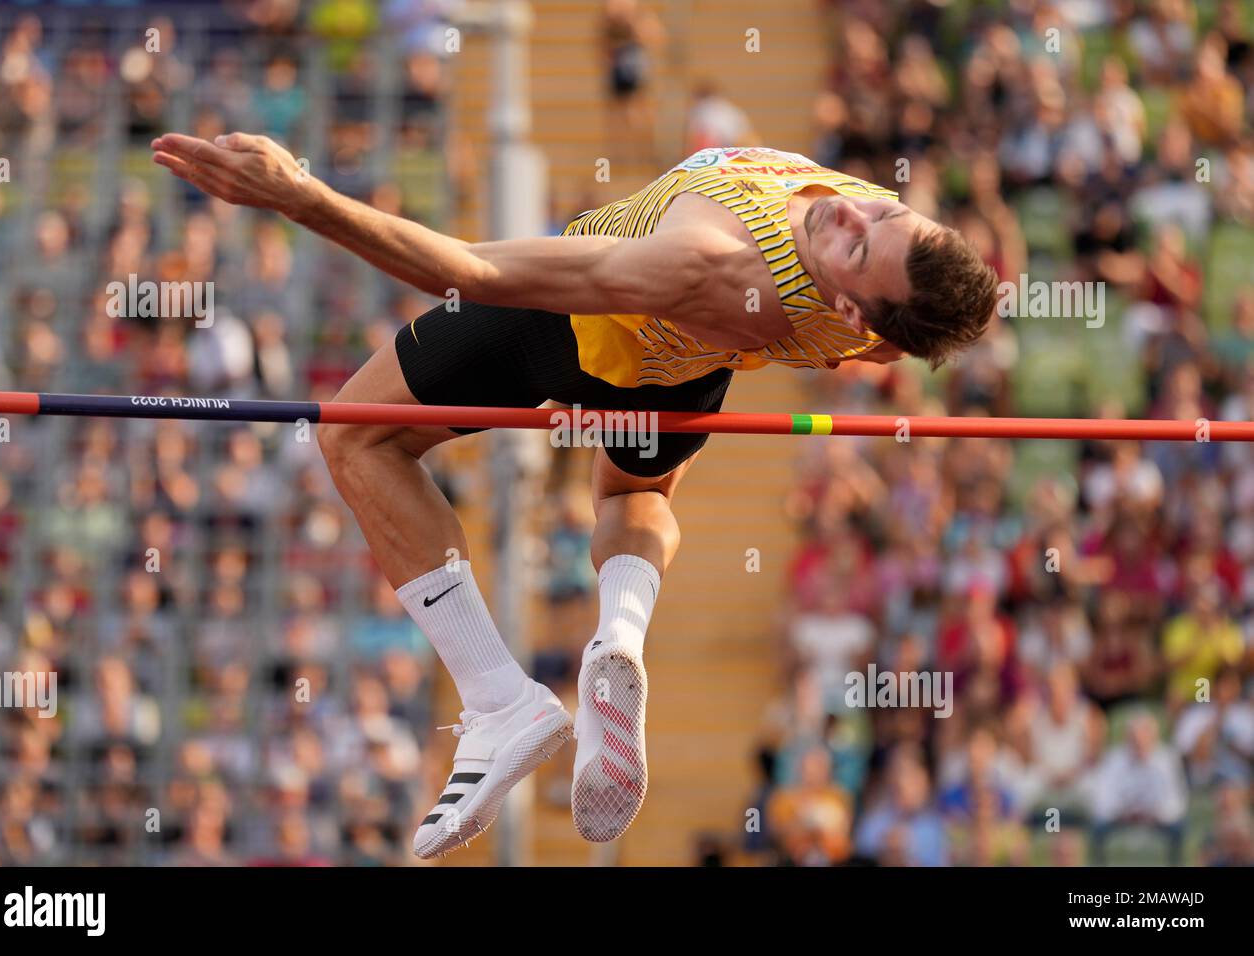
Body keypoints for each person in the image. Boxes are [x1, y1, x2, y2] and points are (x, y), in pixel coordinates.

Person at [150, 133, 998, 858]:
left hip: (575, 327)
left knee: (354, 435)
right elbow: (924, 319)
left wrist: (299, 196)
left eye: (856, 246)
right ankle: (617, 640)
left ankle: (498, 699)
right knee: (633, 500)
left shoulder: (707, 261)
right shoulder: (884, 317)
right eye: (882, 213)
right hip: (691, 371)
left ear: (852, 312)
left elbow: (475, 271)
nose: (850, 215)